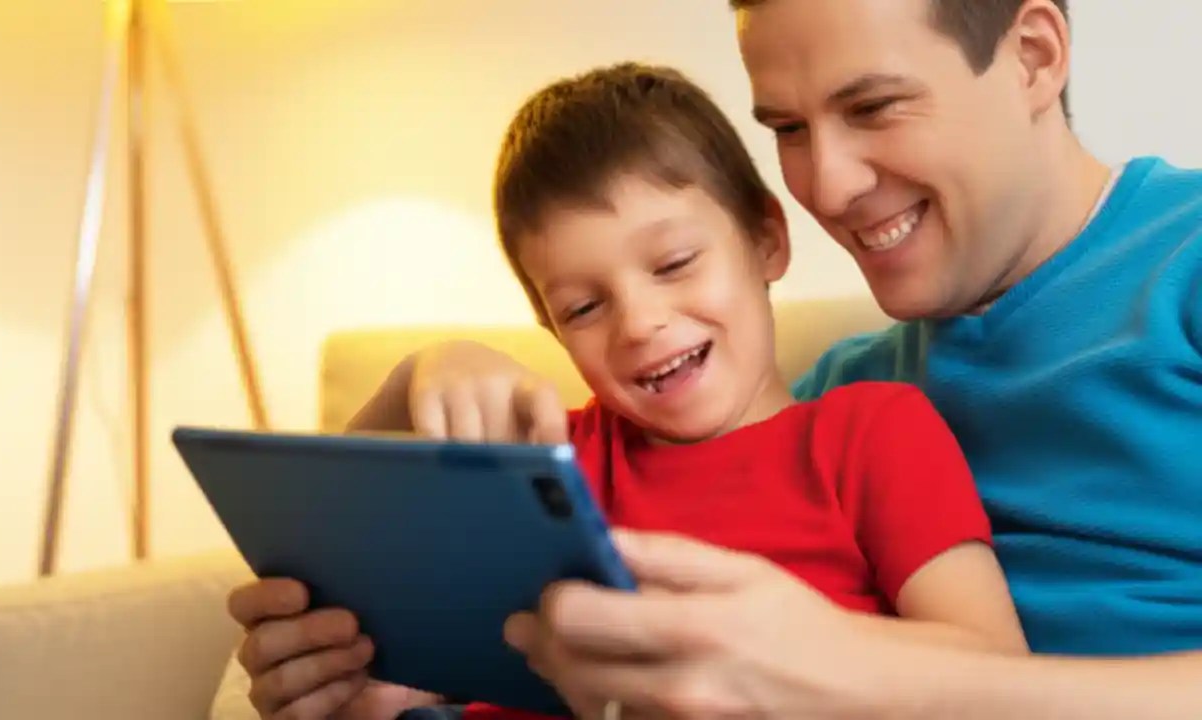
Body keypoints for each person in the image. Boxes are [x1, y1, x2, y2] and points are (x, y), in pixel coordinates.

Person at [229, 0, 1202, 717]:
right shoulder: (838, 391)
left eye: (872, 106)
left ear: (1032, 57)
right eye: (784, 127)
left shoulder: (1185, 261)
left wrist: (847, 670)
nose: (825, 182)